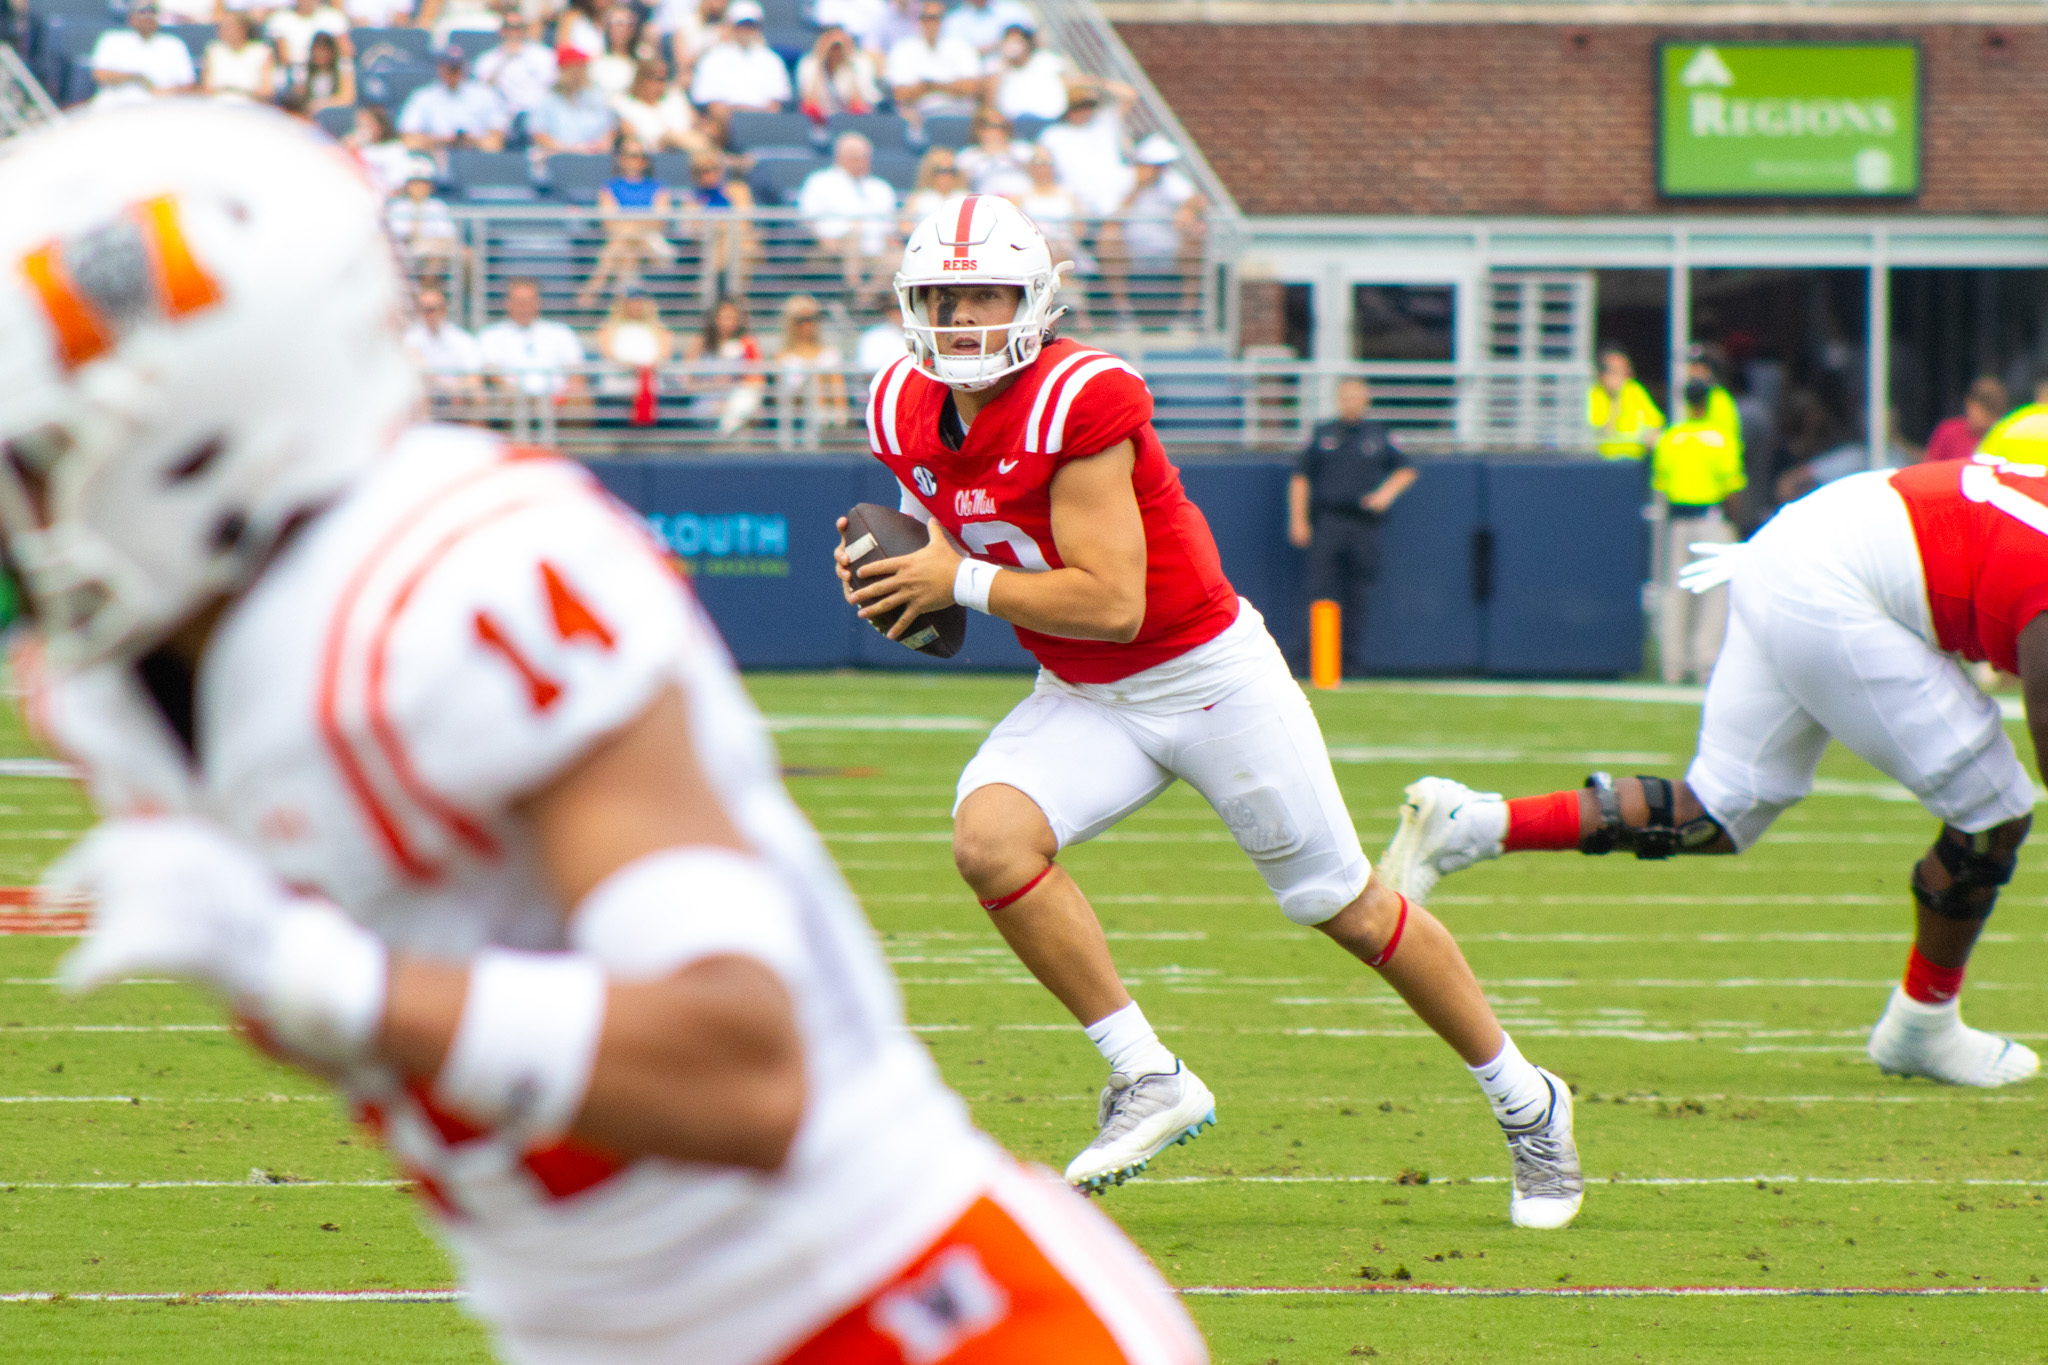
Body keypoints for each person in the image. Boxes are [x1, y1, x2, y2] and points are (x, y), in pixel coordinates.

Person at [0, 102, 1206, 1365]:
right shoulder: (101, 687)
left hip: (899, 1315)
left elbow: (742, 1072)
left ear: (198, 433)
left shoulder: (472, 586)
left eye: (40, 453)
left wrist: (324, 978)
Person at [839, 196, 1584, 1228]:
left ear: (1034, 299)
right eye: (941, 296)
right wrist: (897, 578)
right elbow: (938, 533)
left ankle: (1526, 1100)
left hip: (1204, 677)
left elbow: (1111, 601)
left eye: (983, 293)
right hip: (1085, 694)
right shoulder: (898, 404)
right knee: (990, 843)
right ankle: (1147, 1074)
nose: (961, 317)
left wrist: (951, 582)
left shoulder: (1080, 397)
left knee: (1347, 907)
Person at [1381, 442, 2048, 1092]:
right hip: (1836, 579)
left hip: (1803, 546)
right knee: (1993, 807)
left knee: (1718, 810)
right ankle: (1923, 1021)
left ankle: (1470, 823)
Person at [1286, 377, 1416, 677]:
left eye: (1357, 396)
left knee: (1359, 595)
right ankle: (1311, 663)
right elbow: (1300, 477)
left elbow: (1407, 468)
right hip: (1329, 521)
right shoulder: (1323, 434)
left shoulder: (1379, 434)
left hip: (1364, 524)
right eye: (1346, 396)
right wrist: (1298, 519)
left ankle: (1351, 664)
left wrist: (1386, 494)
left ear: (1366, 399)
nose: (1352, 402)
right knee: (1318, 591)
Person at [1650, 379, 1746, 685]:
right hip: (1710, 519)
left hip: (1679, 520)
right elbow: (1732, 485)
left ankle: (1673, 663)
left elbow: (1661, 483)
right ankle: (1706, 661)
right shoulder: (1720, 438)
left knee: (1676, 591)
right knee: (1714, 593)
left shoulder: (1671, 437)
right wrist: (1737, 521)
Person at [1101, 134, 1202, 323]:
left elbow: (1194, 202)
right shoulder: (1121, 180)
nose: (1157, 170)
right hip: (1131, 250)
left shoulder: (1172, 181)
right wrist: (1137, 188)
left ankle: (1187, 313)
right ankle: (1123, 312)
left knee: (1194, 239)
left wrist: (1187, 212)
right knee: (1109, 239)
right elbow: (1110, 220)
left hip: (1168, 249)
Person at [798, 132, 899, 312]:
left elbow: (889, 228)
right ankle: (854, 295)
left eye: (863, 158)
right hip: (834, 247)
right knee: (854, 235)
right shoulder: (819, 182)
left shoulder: (880, 187)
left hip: (876, 249)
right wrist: (825, 238)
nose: (860, 162)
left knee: (901, 257)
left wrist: (890, 240)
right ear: (840, 157)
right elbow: (809, 218)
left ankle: (862, 298)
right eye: (854, 158)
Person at [578, 139, 675, 306]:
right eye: (630, 156)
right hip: (626, 243)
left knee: (620, 245)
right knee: (628, 254)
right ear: (621, 159)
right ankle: (626, 305)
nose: (635, 160)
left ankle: (592, 291)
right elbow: (609, 223)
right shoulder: (609, 187)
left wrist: (628, 223)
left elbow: (660, 222)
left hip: (652, 244)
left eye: (639, 156)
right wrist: (641, 222)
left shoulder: (658, 187)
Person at [689, 0, 791, 139]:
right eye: (741, 25)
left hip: (764, 129)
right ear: (730, 26)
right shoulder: (712, 59)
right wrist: (739, 120)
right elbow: (714, 106)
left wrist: (751, 120)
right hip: (724, 132)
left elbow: (775, 106)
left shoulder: (772, 60)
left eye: (750, 26)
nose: (745, 30)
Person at [1035, 82, 1137, 218]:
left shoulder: (1105, 123)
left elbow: (1129, 95)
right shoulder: (1053, 134)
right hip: (1077, 206)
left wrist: (1097, 82)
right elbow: (1040, 164)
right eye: (1080, 107)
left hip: (1115, 202)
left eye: (1089, 107)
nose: (1085, 111)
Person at [478, 275, 587, 397]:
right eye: (519, 301)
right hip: (509, 400)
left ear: (538, 302)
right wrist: (520, 398)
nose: (524, 306)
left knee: (580, 397)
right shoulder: (491, 335)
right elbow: (493, 374)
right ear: (508, 303)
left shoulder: (561, 332)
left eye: (529, 301)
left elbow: (576, 372)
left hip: (557, 401)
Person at [884, 0, 980, 129]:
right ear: (920, 20)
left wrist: (928, 86)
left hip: (959, 114)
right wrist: (951, 87)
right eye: (928, 18)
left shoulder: (961, 46)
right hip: (919, 117)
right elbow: (901, 93)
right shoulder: (903, 49)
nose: (932, 23)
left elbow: (971, 87)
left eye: (937, 18)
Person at [89, 3, 198, 107]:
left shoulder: (174, 44)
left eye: (151, 14)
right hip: (117, 104)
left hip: (161, 107)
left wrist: (166, 92)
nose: (146, 19)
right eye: (141, 14)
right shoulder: (112, 39)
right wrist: (137, 78)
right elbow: (99, 75)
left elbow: (188, 85)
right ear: (131, 18)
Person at [399, 50, 509, 152]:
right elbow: (409, 139)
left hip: (475, 153)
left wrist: (471, 140)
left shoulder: (485, 95)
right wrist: (444, 140)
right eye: (449, 69)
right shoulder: (423, 96)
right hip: (435, 151)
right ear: (440, 69)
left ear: (465, 69)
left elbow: (496, 142)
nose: (453, 74)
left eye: (456, 69)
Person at [685, 294, 765, 434]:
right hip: (707, 399)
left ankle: (728, 428)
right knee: (727, 411)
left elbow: (756, 379)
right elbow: (688, 381)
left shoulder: (746, 343)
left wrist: (733, 386)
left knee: (744, 405)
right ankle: (728, 427)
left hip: (736, 397)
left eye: (733, 318)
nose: (729, 322)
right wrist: (713, 385)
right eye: (725, 317)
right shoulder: (701, 342)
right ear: (715, 318)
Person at [595, 288, 675, 416]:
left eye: (639, 302)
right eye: (631, 302)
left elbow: (664, 355)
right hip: (619, 383)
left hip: (651, 383)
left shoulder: (660, 329)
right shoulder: (608, 329)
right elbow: (608, 354)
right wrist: (633, 366)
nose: (635, 306)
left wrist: (645, 367)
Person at [775, 292, 848, 432]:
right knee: (815, 377)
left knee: (829, 374)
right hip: (798, 408)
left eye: (812, 319)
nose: (807, 325)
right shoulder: (783, 356)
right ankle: (824, 417)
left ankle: (838, 418)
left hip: (827, 402)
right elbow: (785, 393)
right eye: (801, 320)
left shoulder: (829, 353)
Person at [386, 155, 464, 279]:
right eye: (415, 183)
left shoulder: (438, 206)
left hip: (434, 252)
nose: (419, 187)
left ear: (430, 186)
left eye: (423, 183)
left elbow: (448, 235)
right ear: (408, 186)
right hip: (405, 255)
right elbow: (400, 235)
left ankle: (431, 292)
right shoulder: (398, 207)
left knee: (453, 255)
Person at [530, 48, 619, 154]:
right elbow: (539, 135)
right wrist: (569, 150)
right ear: (564, 70)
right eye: (575, 68)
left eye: (583, 68)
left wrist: (603, 143)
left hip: (592, 159)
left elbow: (610, 129)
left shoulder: (595, 97)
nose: (580, 73)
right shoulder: (547, 100)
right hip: (558, 159)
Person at [402, 284, 485, 397]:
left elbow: (474, 379)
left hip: (456, 401)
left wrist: (452, 390)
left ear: (444, 310)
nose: (428, 314)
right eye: (424, 309)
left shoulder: (462, 340)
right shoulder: (409, 340)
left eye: (431, 310)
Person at [472, 11, 559, 117]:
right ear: (502, 31)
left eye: (518, 28)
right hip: (504, 117)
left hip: (535, 115)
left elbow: (552, 87)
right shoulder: (488, 60)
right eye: (509, 28)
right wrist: (505, 59)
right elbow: (482, 92)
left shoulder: (543, 56)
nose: (514, 32)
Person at [1587, 344, 1663, 460]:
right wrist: (1615, 397)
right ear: (1603, 374)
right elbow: (1601, 431)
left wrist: (1651, 436)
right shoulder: (1594, 394)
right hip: (1605, 461)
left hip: (1635, 460)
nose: (1625, 374)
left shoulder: (1634, 389)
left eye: (1625, 369)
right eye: (1616, 371)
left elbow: (1656, 423)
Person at [611, 59, 706, 152]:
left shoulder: (675, 96)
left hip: (688, 150)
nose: (659, 84)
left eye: (663, 79)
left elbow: (696, 124)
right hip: (653, 155)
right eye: (655, 79)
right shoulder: (625, 105)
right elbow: (631, 140)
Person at [983, 21, 1067, 124]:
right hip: (1012, 123)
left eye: (1018, 42)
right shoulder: (995, 65)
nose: (1013, 46)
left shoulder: (1046, 60)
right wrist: (1004, 65)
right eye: (1009, 41)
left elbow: (1066, 85)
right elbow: (989, 102)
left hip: (1049, 119)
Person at [796, 24, 883, 123]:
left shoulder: (861, 63)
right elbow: (808, 106)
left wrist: (849, 62)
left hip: (852, 123)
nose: (835, 49)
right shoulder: (809, 63)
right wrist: (821, 61)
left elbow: (859, 107)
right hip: (818, 123)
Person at [1924, 376, 2010, 464]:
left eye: (1990, 413)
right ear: (1969, 403)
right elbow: (1929, 468)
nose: (1984, 417)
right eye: (1980, 409)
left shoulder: (2005, 439)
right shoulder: (1948, 432)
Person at [265, 0, 351, 82]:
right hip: (294, 72)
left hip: (328, 72)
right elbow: (285, 58)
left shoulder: (334, 17)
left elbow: (345, 51)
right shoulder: (280, 19)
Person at [957, 108, 1032, 200]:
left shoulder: (1022, 149)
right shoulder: (967, 156)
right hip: (985, 204)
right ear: (978, 130)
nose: (996, 131)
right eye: (989, 126)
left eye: (1001, 127)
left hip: (1022, 201)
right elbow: (961, 188)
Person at [202, 11, 279, 99]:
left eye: (228, 27)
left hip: (252, 106)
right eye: (221, 27)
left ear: (242, 29)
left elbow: (267, 91)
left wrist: (237, 91)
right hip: (218, 106)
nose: (222, 31)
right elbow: (207, 89)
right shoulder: (214, 50)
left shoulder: (262, 51)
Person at [346, 102, 416, 194]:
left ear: (380, 126)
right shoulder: (356, 149)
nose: (362, 130)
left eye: (367, 125)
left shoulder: (395, 149)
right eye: (359, 125)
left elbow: (398, 185)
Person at [901, 145, 967, 226]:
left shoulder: (965, 198)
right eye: (940, 171)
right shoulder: (917, 200)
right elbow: (904, 227)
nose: (946, 176)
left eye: (950, 171)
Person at [939, 0, 1031, 57]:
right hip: (971, 79)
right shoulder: (953, 21)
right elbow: (955, 55)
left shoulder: (1013, 10)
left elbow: (1033, 41)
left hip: (1012, 72)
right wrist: (996, 46)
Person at [298, 30, 358, 113]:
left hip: (336, 114)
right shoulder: (304, 72)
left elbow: (347, 99)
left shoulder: (344, 69)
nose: (319, 54)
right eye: (316, 50)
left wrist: (321, 104)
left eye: (324, 50)